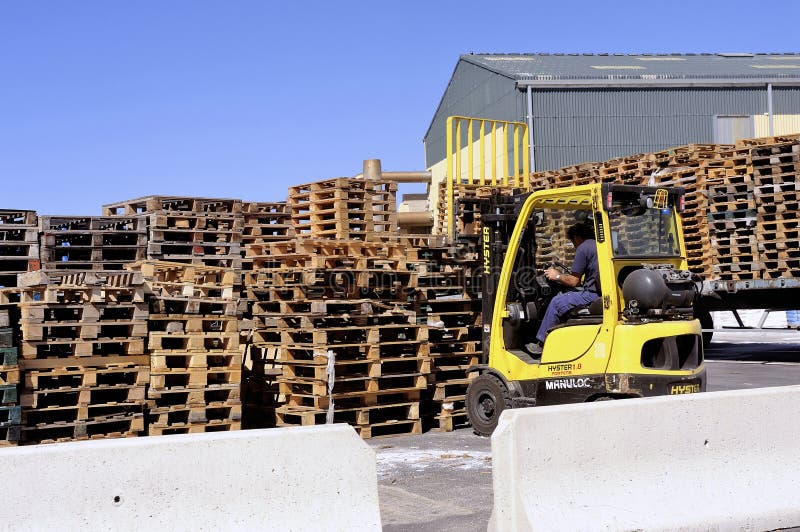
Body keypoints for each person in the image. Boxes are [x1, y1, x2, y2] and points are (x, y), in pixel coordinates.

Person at [526, 223, 601, 356]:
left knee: (557, 302)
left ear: (577, 237)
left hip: (593, 295)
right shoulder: (601, 245)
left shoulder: (584, 248)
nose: (574, 246)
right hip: (604, 292)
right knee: (567, 296)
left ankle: (542, 344)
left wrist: (557, 275)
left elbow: (573, 281)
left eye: (573, 242)